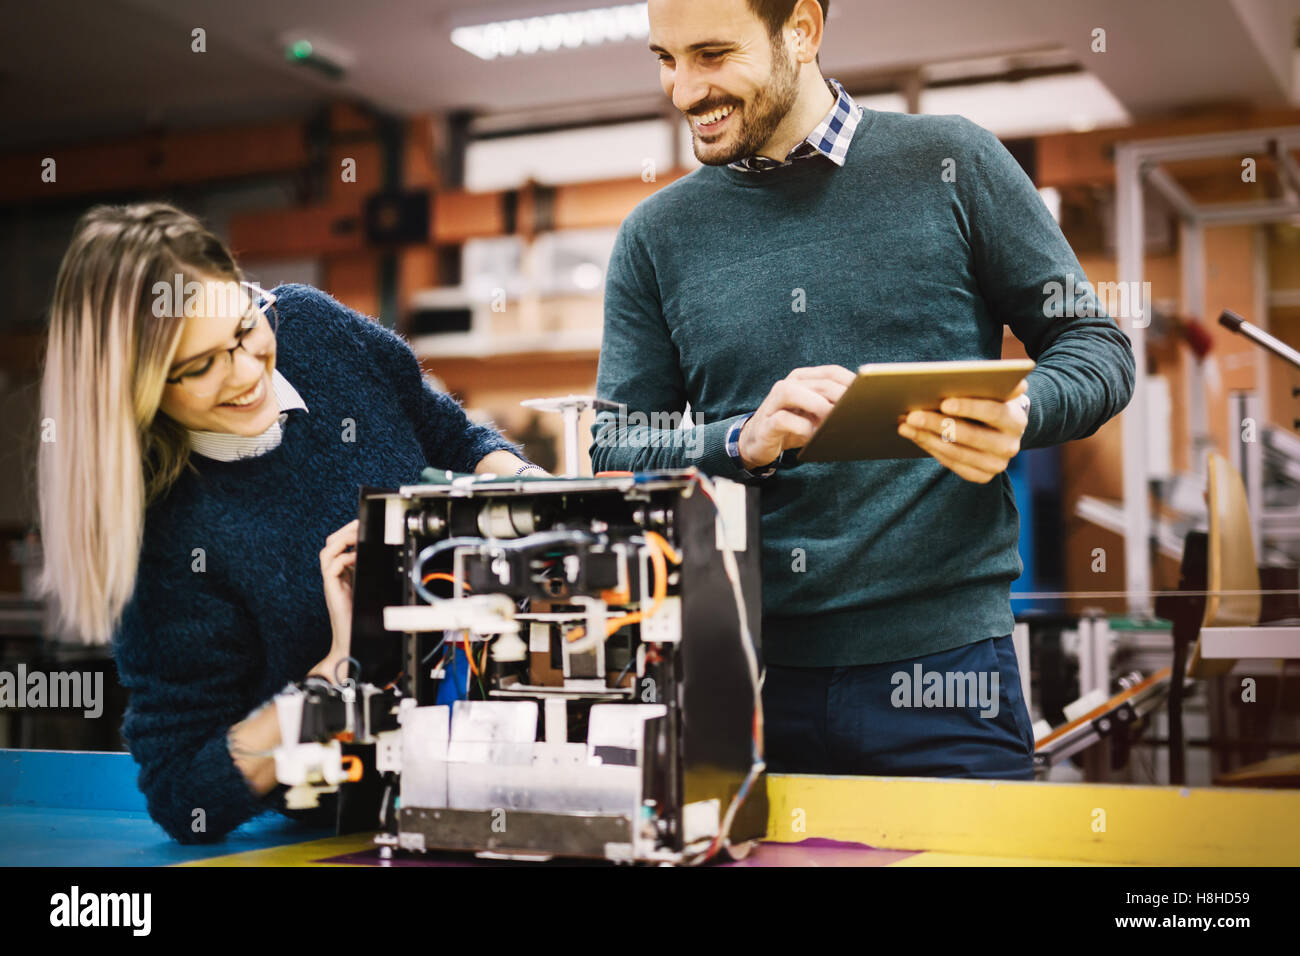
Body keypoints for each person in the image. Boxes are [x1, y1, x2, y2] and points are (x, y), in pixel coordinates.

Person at [589, 0, 1136, 778]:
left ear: (802, 31)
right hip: (742, 681)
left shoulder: (953, 163)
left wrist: (1023, 411)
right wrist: (739, 440)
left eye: (712, 55)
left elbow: (1096, 346)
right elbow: (616, 444)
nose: (683, 91)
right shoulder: (655, 236)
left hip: (945, 677)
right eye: (665, 60)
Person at [36, 202, 543, 842]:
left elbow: (453, 438)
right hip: (371, 832)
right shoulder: (161, 536)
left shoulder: (310, 325)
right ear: (133, 389)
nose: (248, 373)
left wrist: (552, 504)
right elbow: (183, 788)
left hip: (531, 753)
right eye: (200, 367)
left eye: (245, 329)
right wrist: (335, 676)